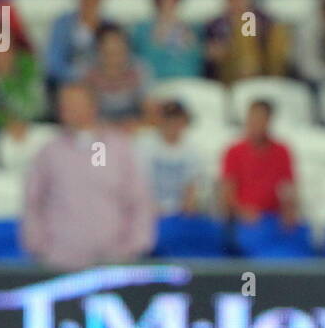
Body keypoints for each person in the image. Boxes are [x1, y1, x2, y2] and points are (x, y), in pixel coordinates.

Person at [21, 82, 155, 268]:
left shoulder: (116, 148)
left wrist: (135, 245)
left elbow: (138, 200)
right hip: (60, 260)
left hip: (114, 261)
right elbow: (33, 202)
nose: (64, 110)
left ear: (91, 107)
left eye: (72, 104)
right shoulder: (49, 152)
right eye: (62, 105)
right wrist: (38, 246)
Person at [219, 99, 297, 225]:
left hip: (274, 217)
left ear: (268, 121)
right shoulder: (234, 151)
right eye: (252, 119)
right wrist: (242, 211)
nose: (254, 124)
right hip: (244, 219)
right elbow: (227, 193)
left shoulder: (282, 151)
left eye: (260, 119)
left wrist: (289, 209)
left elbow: (288, 187)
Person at [136, 99, 207, 215]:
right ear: (160, 121)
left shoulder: (193, 151)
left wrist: (184, 210)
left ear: (184, 122)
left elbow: (192, 188)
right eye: (168, 120)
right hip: (148, 210)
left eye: (176, 120)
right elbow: (138, 182)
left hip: (180, 213)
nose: (172, 124)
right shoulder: (144, 144)